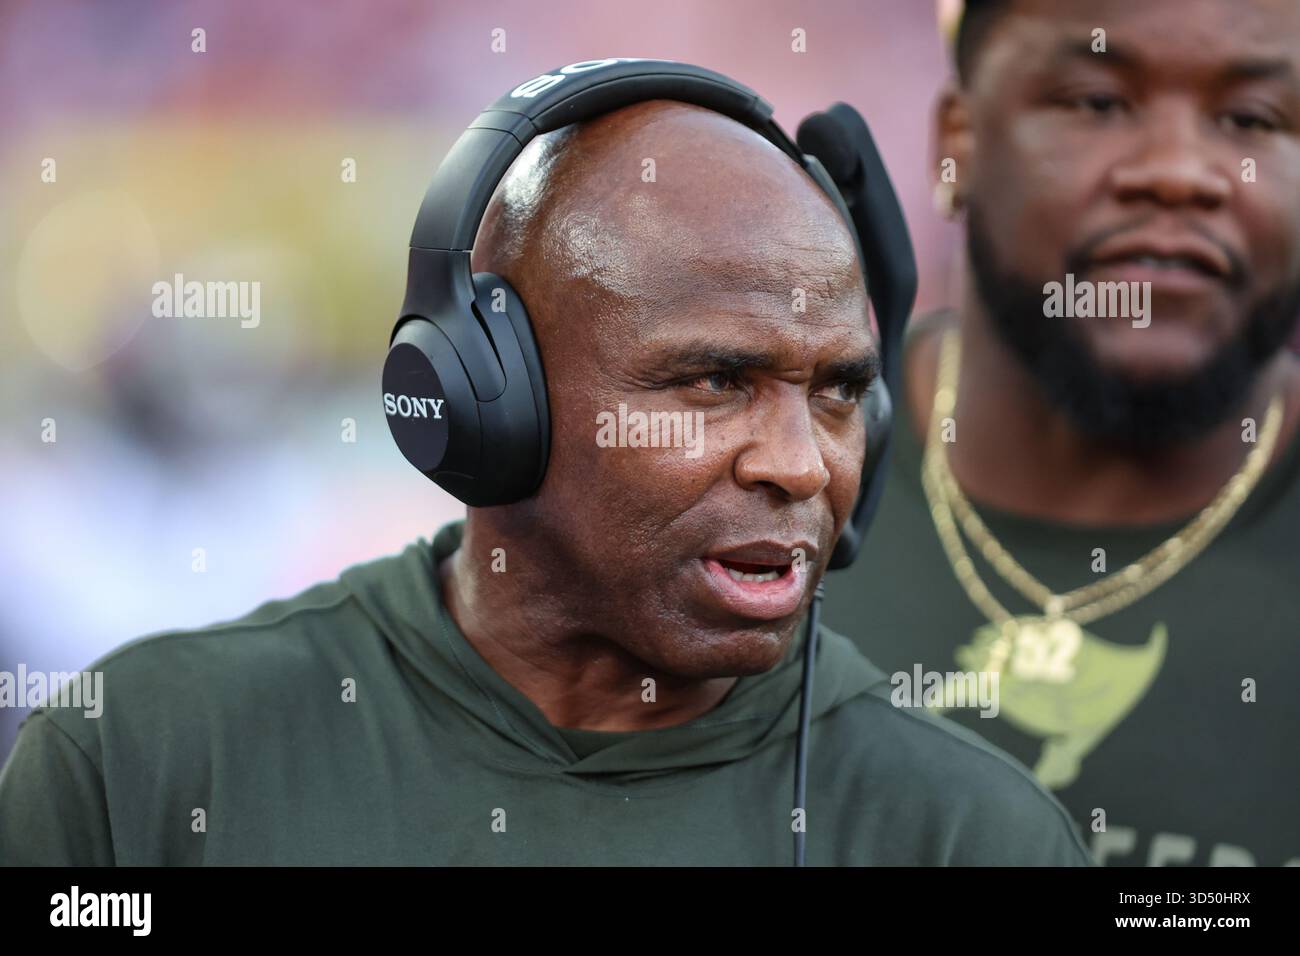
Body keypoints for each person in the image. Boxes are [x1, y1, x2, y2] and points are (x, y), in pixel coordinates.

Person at [0, 93, 1089, 866]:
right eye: (713, 380)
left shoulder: (973, 834)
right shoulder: (139, 761)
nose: (800, 462)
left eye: (841, 391)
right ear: (485, 399)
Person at [823, 0, 1300, 865]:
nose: (1178, 173)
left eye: (1250, 118)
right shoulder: (758, 480)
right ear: (958, 141)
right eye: (1096, 101)